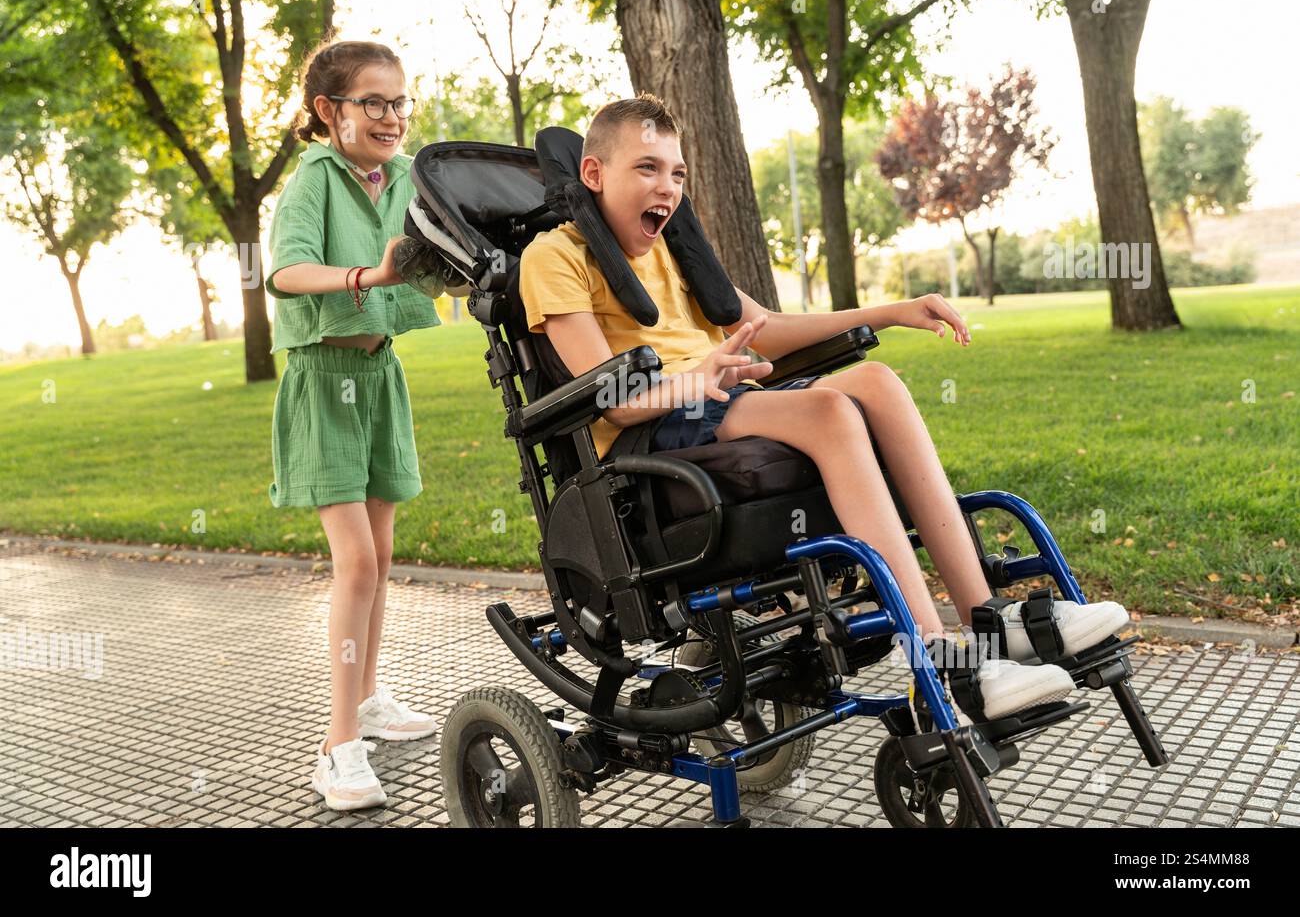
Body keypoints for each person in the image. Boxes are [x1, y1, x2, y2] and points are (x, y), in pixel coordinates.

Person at [519, 94, 1130, 722]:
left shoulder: (674, 252)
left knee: (876, 382)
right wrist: (697, 376)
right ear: (593, 175)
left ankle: (988, 620)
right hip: (643, 439)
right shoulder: (555, 257)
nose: (667, 188)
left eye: (677, 173)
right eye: (647, 168)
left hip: (714, 401)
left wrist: (891, 311)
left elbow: (767, 327)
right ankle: (940, 660)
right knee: (831, 412)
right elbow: (611, 401)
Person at [266, 39, 439, 811]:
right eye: (374, 102)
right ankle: (338, 745)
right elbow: (285, 270)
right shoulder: (311, 181)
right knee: (358, 565)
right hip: (322, 379)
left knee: (385, 550)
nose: (393, 116)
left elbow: (439, 252)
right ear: (329, 112)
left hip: (380, 377)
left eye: (400, 101)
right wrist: (367, 276)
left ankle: (368, 697)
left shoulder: (404, 177)